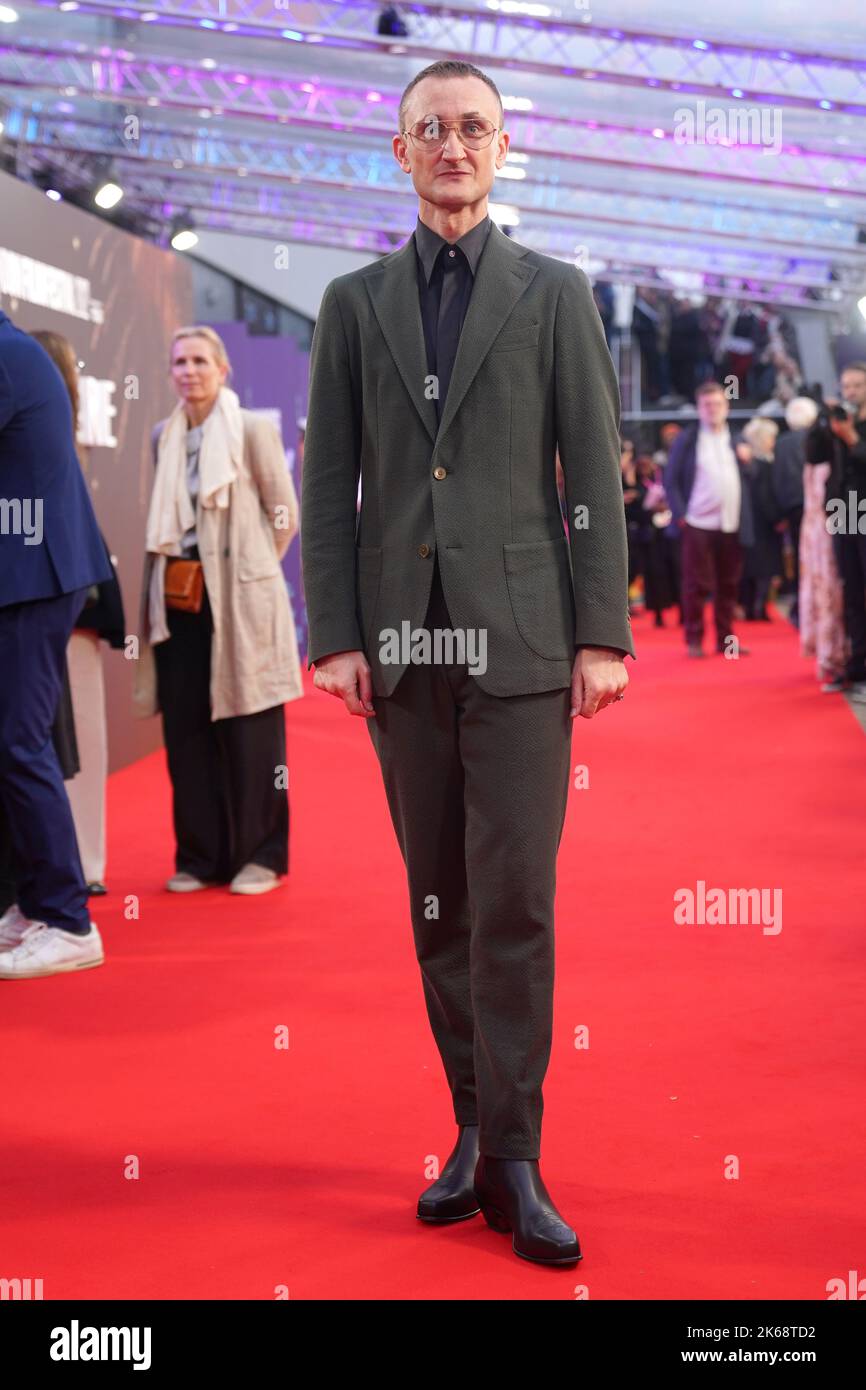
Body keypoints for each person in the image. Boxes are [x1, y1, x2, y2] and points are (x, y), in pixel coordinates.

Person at [301, 59, 633, 1267]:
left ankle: (518, 1155)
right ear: (399, 152)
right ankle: (469, 1130)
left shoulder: (554, 295)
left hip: (525, 644)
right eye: (429, 128)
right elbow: (328, 488)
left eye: (472, 128)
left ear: (502, 150)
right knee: (436, 900)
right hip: (400, 649)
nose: (452, 145)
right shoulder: (352, 303)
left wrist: (602, 629)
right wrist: (333, 631)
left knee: (516, 903)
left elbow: (588, 478)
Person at [134, 326, 303, 893]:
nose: (189, 370)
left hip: (240, 599)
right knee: (186, 728)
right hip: (178, 599)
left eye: (200, 360)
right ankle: (200, 856)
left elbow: (284, 513)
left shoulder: (252, 429)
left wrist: (250, 570)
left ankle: (261, 855)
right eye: (179, 361)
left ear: (223, 369)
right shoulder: (162, 434)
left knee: (251, 728)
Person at [0, 309, 112, 979]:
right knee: (14, 740)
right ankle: (40, 904)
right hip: (29, 572)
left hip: (31, 574)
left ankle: (70, 920)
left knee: (19, 740)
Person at [29, 329, 126, 897]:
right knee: (54, 737)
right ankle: (70, 859)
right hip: (59, 601)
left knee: (78, 733)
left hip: (73, 605)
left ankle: (86, 861)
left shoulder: (64, 439)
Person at [664, 381, 755, 657]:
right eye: (707, 405)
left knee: (729, 584)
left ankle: (726, 639)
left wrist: (749, 462)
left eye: (717, 404)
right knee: (696, 584)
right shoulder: (688, 439)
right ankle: (694, 638)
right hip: (697, 523)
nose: (712, 409)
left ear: (726, 407)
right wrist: (681, 516)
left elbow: (754, 479)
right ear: (699, 408)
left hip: (731, 522)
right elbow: (671, 480)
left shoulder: (737, 439)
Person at [805, 363, 866, 701]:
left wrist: (852, 438)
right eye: (847, 385)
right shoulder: (839, 421)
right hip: (844, 515)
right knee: (851, 593)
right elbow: (814, 456)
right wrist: (821, 421)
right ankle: (856, 670)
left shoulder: (854, 428)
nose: (851, 392)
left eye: (858, 385)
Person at [772, 396, 815, 627]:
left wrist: (780, 513)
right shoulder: (817, 438)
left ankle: (801, 609)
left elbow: (777, 480)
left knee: (801, 560)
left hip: (794, 509)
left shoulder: (782, 443)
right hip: (821, 509)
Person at [738, 417, 783, 622]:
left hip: (746, 523)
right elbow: (767, 495)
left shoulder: (745, 464)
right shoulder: (765, 465)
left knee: (748, 567)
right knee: (764, 567)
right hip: (763, 524)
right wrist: (776, 518)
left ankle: (749, 607)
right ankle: (760, 607)